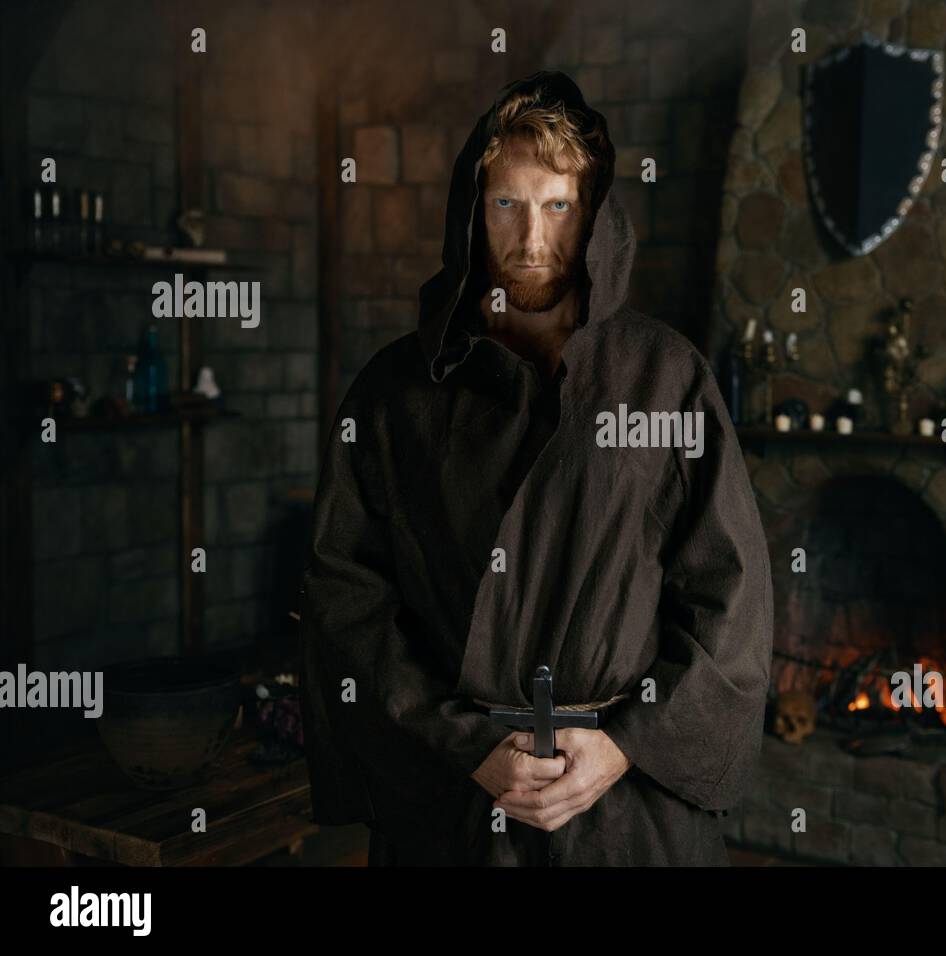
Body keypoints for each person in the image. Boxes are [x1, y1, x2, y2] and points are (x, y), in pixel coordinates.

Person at [299, 70, 773, 866]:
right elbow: (345, 595)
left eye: (557, 205)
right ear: (472, 213)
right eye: (506, 205)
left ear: (593, 216)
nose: (531, 240)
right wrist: (469, 747)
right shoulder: (396, 390)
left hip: (626, 814)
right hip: (450, 799)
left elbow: (731, 596)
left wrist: (623, 747)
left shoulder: (665, 379)